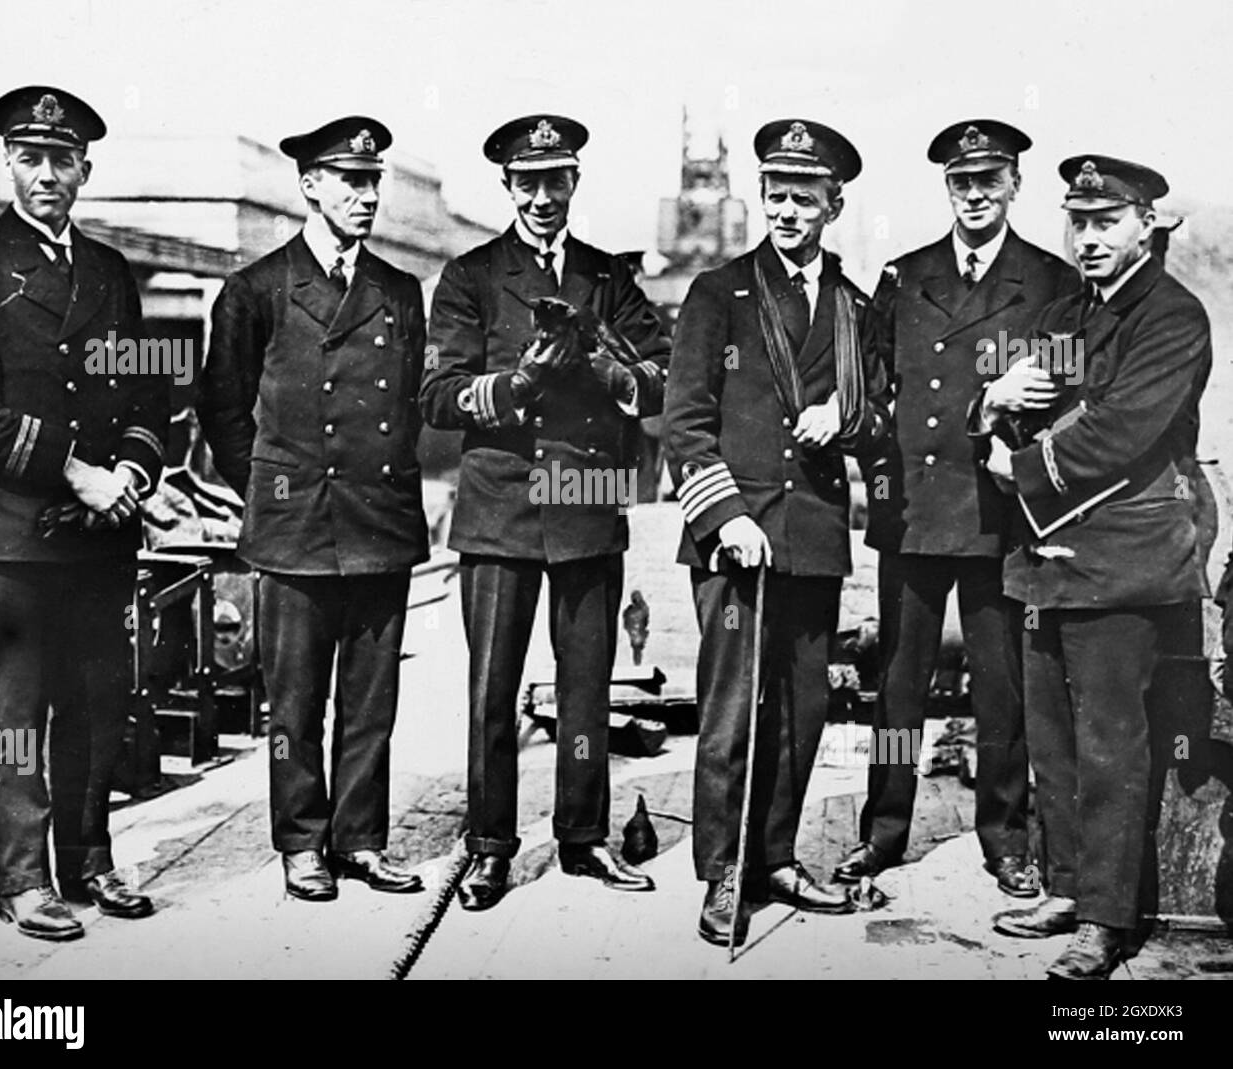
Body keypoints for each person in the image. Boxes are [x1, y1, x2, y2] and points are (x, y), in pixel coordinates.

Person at [0, 86, 168, 939]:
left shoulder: (109, 272)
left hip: (103, 532)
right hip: (14, 534)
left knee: (98, 704)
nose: (45, 175)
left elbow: (149, 387)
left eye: (61, 160)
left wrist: (135, 469)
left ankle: (90, 858)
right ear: (8, 164)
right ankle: (23, 879)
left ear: (85, 170)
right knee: (11, 716)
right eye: (29, 158)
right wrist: (77, 472)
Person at [420, 114, 669, 911]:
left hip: (588, 503)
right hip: (500, 507)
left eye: (554, 180)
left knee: (588, 684)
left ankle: (584, 837)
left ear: (573, 184)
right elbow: (436, 396)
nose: (541, 197)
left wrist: (604, 365)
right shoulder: (469, 277)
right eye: (526, 182)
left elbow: (663, 378)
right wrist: (518, 385)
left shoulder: (608, 278)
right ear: (508, 188)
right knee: (493, 687)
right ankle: (490, 845)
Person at [835, 120, 1080, 896]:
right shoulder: (904, 277)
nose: (975, 195)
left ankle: (1005, 838)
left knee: (999, 682)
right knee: (899, 685)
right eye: (961, 183)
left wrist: (1012, 418)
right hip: (911, 508)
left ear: (1015, 186)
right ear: (947, 188)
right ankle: (883, 831)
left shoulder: (1052, 282)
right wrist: (880, 475)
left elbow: (1066, 388)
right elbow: (868, 390)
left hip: (997, 509)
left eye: (989, 181)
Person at [663, 119, 891, 946]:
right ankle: (724, 872)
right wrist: (726, 517)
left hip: (814, 536)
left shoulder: (854, 306)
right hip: (737, 539)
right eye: (776, 195)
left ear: (835, 203)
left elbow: (882, 423)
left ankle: (778, 857)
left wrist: (850, 416)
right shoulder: (717, 293)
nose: (788, 211)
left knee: (802, 707)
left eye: (805, 197)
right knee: (731, 710)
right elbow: (683, 422)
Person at [987, 156, 1210, 979]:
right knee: (1052, 736)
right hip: (1045, 555)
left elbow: (1123, 428)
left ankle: (1107, 921)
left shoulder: (1173, 317)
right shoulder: (1064, 312)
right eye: (1077, 222)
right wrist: (993, 402)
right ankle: (1068, 887)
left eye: (1105, 222)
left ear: (1147, 224)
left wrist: (1023, 466)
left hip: (1124, 558)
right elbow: (1006, 394)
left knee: (1112, 741)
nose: (1087, 237)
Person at [197, 117, 428, 901]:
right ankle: (302, 841)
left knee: (371, 702)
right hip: (295, 528)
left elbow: (409, 404)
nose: (366, 196)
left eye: (373, 182)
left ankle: (361, 839)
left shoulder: (398, 291)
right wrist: (269, 489)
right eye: (349, 181)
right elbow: (222, 408)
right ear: (310, 186)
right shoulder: (255, 289)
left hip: (380, 526)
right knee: (295, 702)